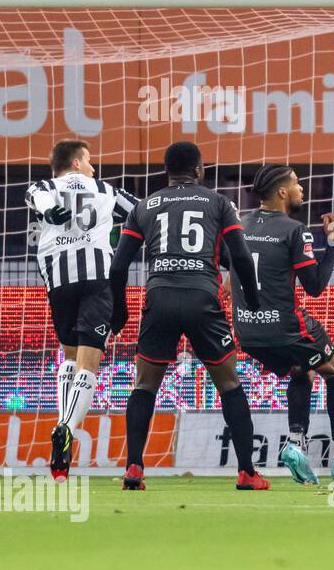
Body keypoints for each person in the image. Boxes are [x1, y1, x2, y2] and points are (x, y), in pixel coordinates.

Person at [108, 141, 266, 492]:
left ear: (167, 171)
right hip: (202, 299)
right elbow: (240, 257)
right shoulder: (219, 203)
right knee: (228, 384)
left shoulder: (144, 206)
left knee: (145, 385)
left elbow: (118, 268)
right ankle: (246, 473)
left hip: (159, 297)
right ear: (199, 170)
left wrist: (119, 313)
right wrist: (252, 300)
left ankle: (134, 466)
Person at [231, 166, 334, 487]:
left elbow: (231, 274)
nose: (301, 188)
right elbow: (315, 286)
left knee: (302, 369)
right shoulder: (296, 231)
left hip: (248, 331)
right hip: (285, 324)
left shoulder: (240, 226)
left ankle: (295, 443)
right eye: (296, 183)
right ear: (282, 192)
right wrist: (333, 243)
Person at [24, 139, 136, 480]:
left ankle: (61, 425)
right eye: (88, 160)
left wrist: (50, 211)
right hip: (97, 278)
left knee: (69, 356)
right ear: (75, 163)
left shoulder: (43, 186)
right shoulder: (105, 189)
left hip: (59, 279)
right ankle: (66, 428)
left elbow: (35, 196)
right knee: (90, 361)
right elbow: (141, 211)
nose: (93, 166)